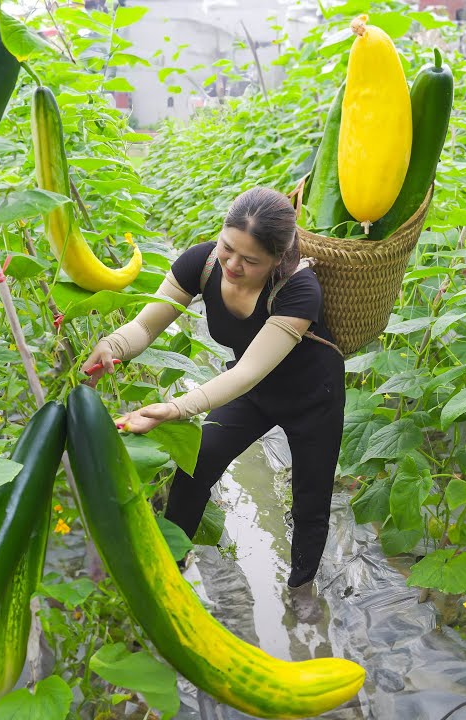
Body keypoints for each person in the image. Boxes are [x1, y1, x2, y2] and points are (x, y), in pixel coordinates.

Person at [82, 187, 345, 617]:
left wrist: (177, 408)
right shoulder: (201, 264)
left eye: (250, 260)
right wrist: (112, 345)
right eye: (228, 248)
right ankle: (172, 566)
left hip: (313, 396)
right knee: (196, 464)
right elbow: (147, 325)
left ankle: (300, 587)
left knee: (311, 496)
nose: (233, 265)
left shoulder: (299, 290)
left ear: (277, 261)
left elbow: (247, 371)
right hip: (255, 395)